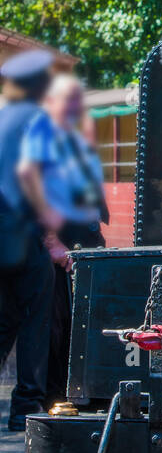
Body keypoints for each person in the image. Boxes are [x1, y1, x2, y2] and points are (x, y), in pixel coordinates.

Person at [17, 73, 109, 404]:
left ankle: (76, 390)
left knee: (80, 322)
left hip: (83, 244)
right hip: (55, 249)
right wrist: (53, 243)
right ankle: (50, 397)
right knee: (51, 326)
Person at [0, 50, 56, 431]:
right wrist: (52, 238)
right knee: (37, 320)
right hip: (26, 237)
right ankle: (24, 408)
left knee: (3, 321)